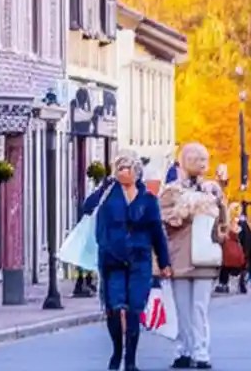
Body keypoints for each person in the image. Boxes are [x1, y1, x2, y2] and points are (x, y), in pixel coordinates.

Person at [81, 150, 171, 371]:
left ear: (136, 172)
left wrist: (164, 261)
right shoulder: (107, 195)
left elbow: (157, 232)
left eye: (127, 168)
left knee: (133, 309)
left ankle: (130, 359)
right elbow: (87, 208)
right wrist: (103, 188)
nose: (123, 172)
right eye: (119, 167)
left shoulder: (148, 200)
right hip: (112, 261)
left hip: (139, 261)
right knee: (114, 307)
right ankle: (116, 352)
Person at [160, 142, 228, 370]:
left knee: (199, 307)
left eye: (204, 159)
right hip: (179, 255)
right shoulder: (171, 190)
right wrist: (183, 210)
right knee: (181, 308)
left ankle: (200, 351)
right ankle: (184, 349)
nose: (202, 164)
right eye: (197, 159)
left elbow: (223, 222)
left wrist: (215, 204)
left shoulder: (211, 191)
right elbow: (165, 218)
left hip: (204, 255)